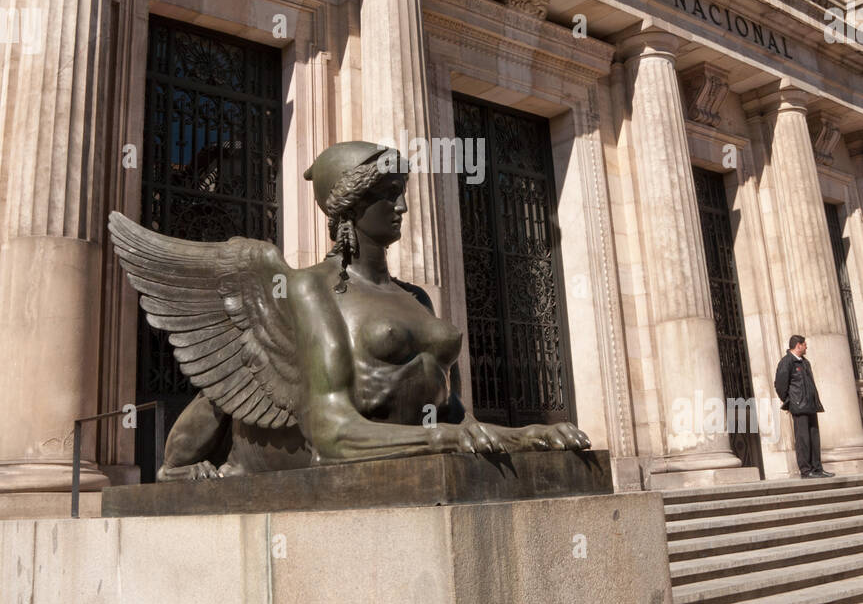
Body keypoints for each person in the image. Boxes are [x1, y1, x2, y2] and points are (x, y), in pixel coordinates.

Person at [110, 141, 591, 478]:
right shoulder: (307, 290)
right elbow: (331, 431)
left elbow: (455, 417)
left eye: (400, 192)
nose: (401, 206)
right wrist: (438, 442)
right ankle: (175, 467)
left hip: (409, 443)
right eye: (386, 195)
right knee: (218, 392)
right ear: (349, 206)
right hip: (317, 447)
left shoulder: (417, 298)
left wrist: (525, 436)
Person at [773, 335, 835, 479]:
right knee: (803, 439)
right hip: (799, 406)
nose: (806, 347)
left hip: (811, 405)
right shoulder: (786, 362)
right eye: (804, 344)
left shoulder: (805, 362)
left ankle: (817, 468)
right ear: (798, 345)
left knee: (814, 438)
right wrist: (790, 401)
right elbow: (780, 385)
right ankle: (806, 471)